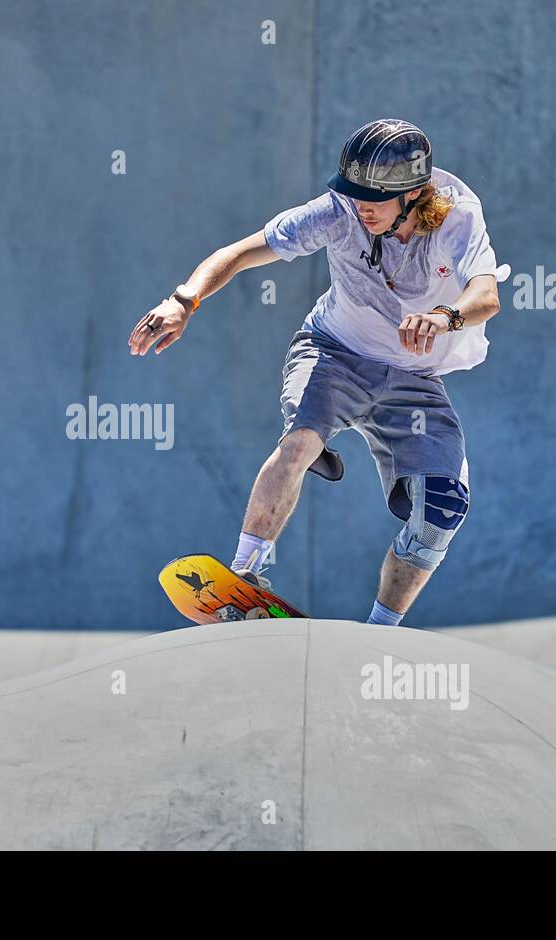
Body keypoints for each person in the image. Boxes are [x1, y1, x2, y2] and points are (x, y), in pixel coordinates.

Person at [128, 119, 503, 626]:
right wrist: (183, 301)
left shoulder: (457, 219)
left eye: (374, 197)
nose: (361, 206)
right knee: (302, 440)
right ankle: (244, 580)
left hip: (414, 379)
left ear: (414, 194)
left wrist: (444, 317)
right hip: (334, 354)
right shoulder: (340, 213)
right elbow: (240, 253)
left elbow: (486, 295)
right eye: (353, 194)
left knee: (442, 510)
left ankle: (380, 635)